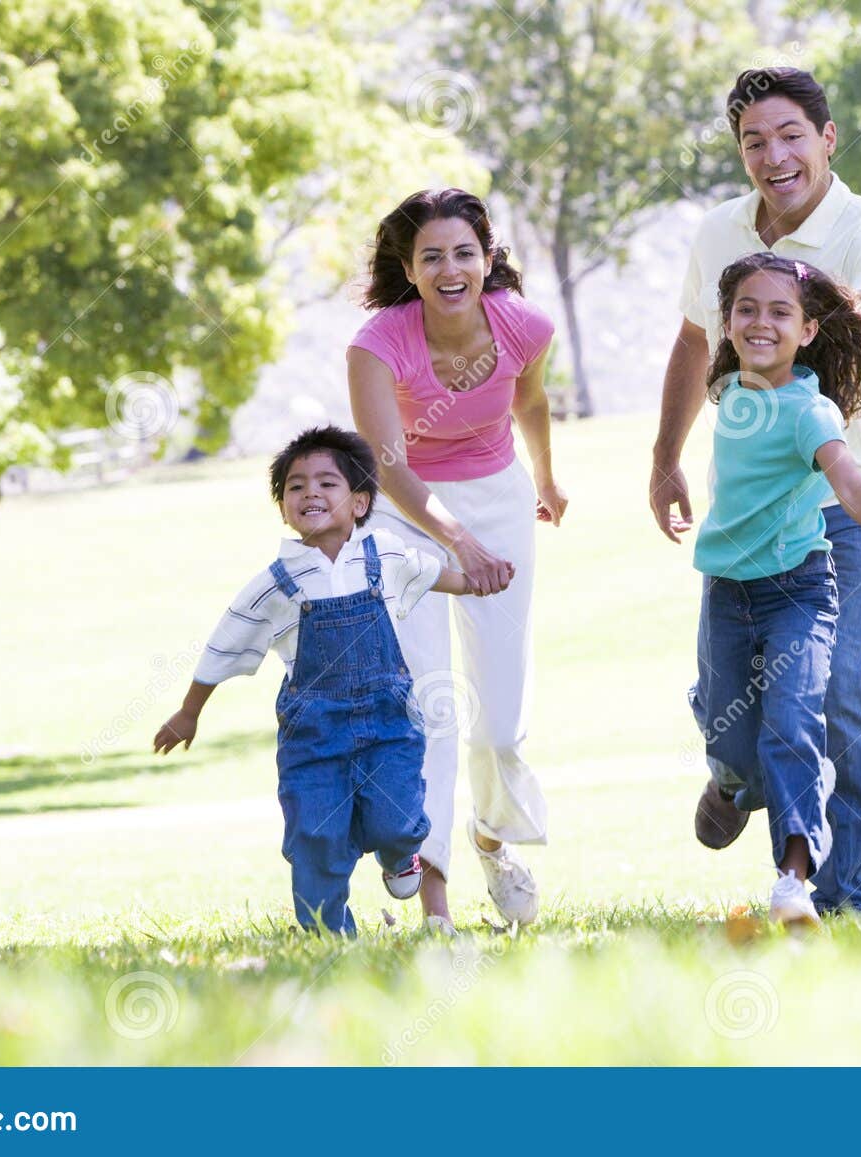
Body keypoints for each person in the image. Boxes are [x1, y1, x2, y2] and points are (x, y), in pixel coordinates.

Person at [651, 67, 861, 917]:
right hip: (751, 514)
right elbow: (694, 341)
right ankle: (737, 777)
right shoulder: (718, 232)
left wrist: (805, 323)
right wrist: (665, 456)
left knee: (839, 692)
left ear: (827, 138)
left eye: (791, 136)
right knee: (735, 708)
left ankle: (831, 898)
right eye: (754, 142)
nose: (775, 157)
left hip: (849, 498)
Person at [689, 253, 861, 925]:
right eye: (746, 309)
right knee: (734, 738)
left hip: (798, 592)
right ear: (727, 321)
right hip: (726, 594)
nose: (761, 322)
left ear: (808, 330)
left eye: (780, 312)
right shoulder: (729, 390)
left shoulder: (810, 411)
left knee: (793, 726)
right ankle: (732, 776)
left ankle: (793, 883)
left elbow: (854, 488)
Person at [152, 426, 482, 937]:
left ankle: (401, 856)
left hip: (389, 726)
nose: (311, 493)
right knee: (316, 835)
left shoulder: (384, 555)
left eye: (328, 483)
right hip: (314, 737)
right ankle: (329, 937)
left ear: (360, 502)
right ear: (283, 508)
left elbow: (431, 573)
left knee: (395, 819)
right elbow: (224, 644)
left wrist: (476, 582)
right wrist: (190, 711)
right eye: (296, 485)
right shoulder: (276, 583)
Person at [347, 188, 568, 934]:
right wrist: (459, 543)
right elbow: (385, 464)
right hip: (403, 513)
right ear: (409, 269)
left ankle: (491, 838)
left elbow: (530, 402)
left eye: (464, 253)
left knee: (499, 720)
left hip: (498, 498)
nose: (451, 270)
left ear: (488, 257)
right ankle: (434, 902)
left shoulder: (525, 325)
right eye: (432, 257)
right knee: (431, 707)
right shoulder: (377, 344)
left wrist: (545, 479)